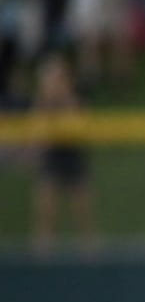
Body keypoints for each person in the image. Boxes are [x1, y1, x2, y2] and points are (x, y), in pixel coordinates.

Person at [30, 54, 97, 254]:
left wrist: (65, 103)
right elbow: (37, 133)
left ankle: (90, 250)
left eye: (58, 78)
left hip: (73, 156)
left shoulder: (74, 100)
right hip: (52, 157)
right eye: (50, 79)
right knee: (46, 209)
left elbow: (79, 128)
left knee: (83, 209)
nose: (54, 83)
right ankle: (43, 250)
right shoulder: (42, 103)